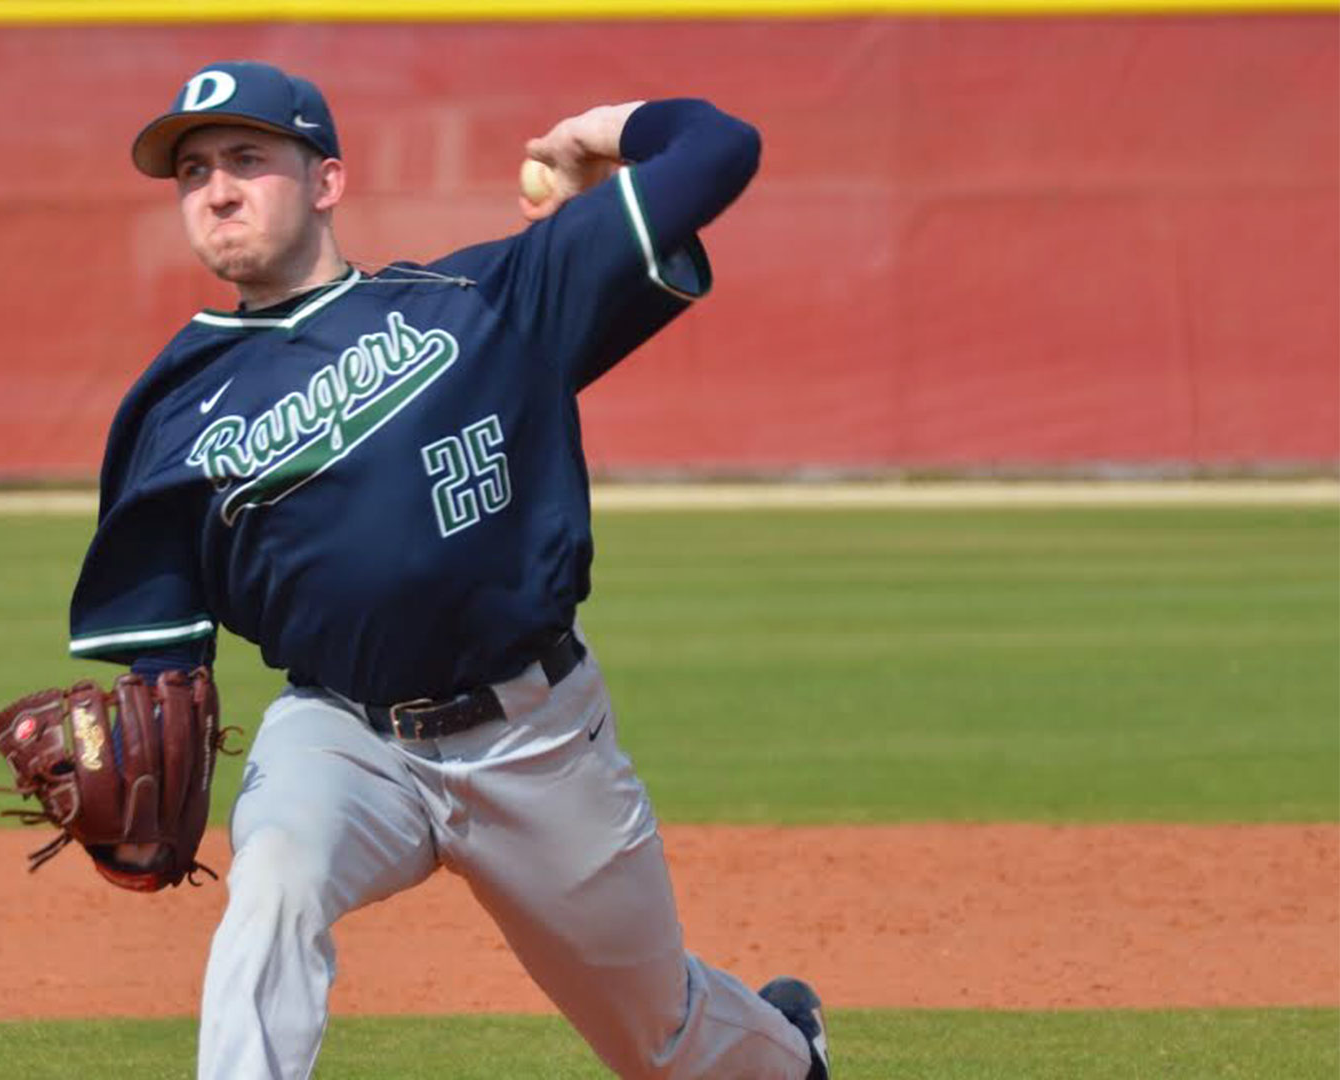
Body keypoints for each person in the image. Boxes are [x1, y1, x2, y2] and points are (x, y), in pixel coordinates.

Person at [67, 59, 829, 1080]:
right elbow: (159, 666)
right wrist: (137, 753)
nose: (218, 189)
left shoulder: (487, 300)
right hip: (343, 739)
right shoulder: (169, 410)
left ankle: (792, 1055)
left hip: (537, 737)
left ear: (326, 179)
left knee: (661, 1039)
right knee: (276, 883)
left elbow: (718, 148)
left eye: (248, 158)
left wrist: (590, 134)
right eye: (193, 170)